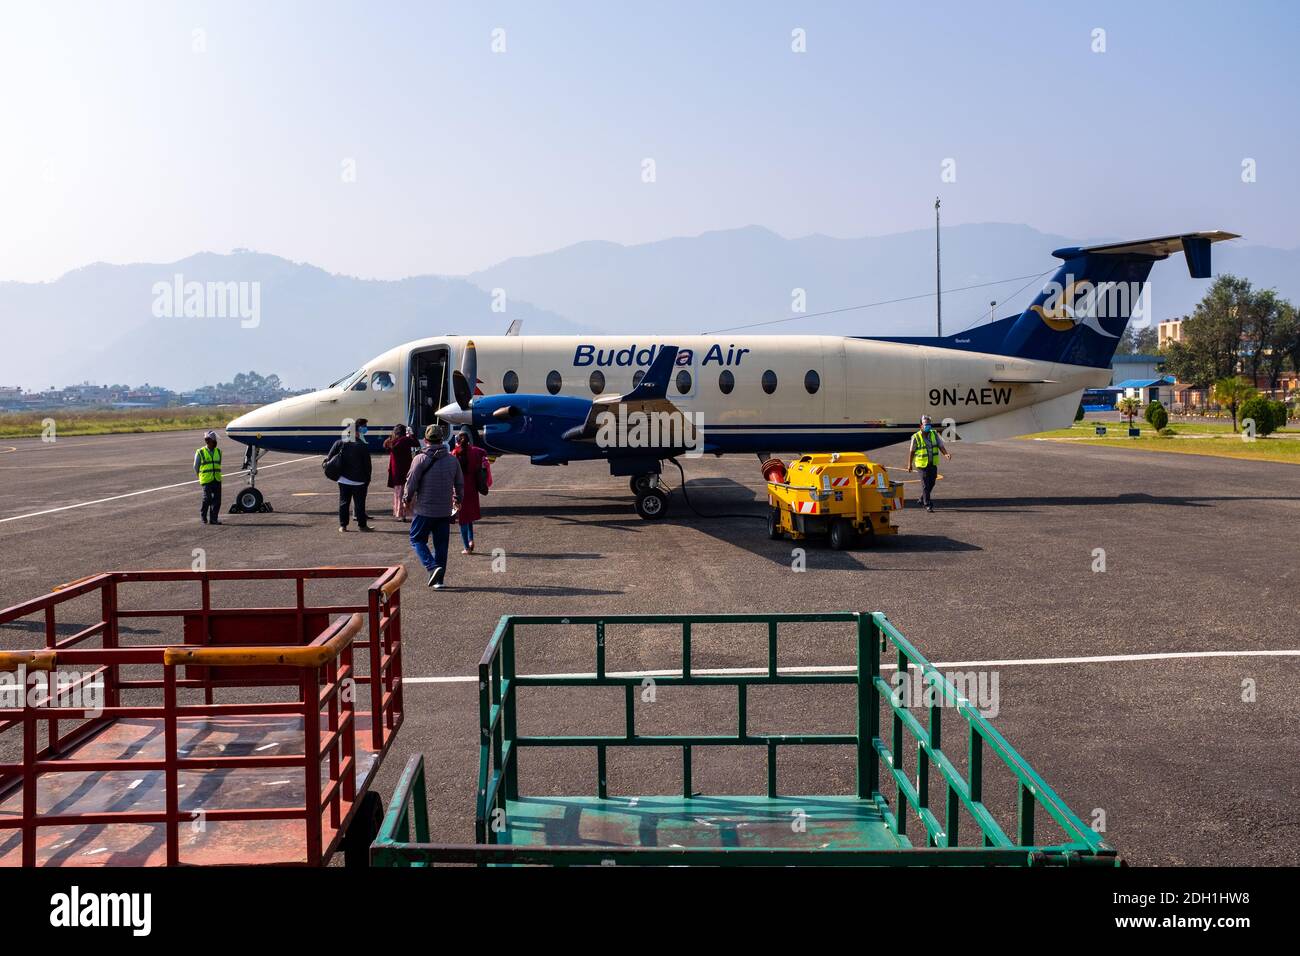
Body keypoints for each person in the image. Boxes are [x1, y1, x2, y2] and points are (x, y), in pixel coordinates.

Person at [404, 424, 463, 588]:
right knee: (441, 545)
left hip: (425, 509)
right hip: (444, 509)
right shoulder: (452, 459)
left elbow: (411, 482)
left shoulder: (420, 458)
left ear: (425, 440)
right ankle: (439, 581)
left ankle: (431, 566)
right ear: (442, 439)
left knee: (416, 539)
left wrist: (406, 499)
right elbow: (459, 483)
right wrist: (458, 500)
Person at [327, 418, 373, 532]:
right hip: (359, 480)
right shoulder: (361, 445)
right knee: (359, 504)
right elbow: (367, 465)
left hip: (343, 479)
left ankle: (343, 526)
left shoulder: (339, 443)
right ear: (356, 432)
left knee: (344, 502)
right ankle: (362, 526)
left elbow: (329, 458)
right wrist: (368, 478)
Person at [449, 426, 490, 553]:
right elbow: (484, 452)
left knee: (462, 519)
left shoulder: (455, 453)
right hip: (472, 487)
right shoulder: (475, 451)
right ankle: (471, 539)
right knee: (470, 516)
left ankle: (466, 547)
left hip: (459, 488)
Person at [906, 414, 952, 513]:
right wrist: (909, 464)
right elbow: (912, 452)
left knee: (932, 483)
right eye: (926, 424)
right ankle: (927, 504)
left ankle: (922, 498)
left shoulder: (934, 434)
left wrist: (946, 454)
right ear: (921, 426)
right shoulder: (915, 437)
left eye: (929, 424)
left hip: (932, 463)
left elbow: (940, 446)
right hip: (922, 465)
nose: (928, 426)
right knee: (925, 485)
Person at [383, 424, 420, 521]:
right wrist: (411, 434)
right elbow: (416, 443)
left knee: (398, 493)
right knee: (408, 492)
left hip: (396, 471)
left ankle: (400, 513)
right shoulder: (405, 440)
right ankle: (408, 512)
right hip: (406, 469)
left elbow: (386, 447)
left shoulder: (391, 441)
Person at [194, 430, 223, 525]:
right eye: (213, 441)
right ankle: (203, 516)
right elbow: (196, 466)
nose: (215, 443)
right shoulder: (200, 452)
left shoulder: (218, 452)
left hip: (217, 479)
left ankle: (214, 519)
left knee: (217, 500)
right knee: (208, 498)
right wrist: (200, 476)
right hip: (206, 479)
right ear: (208, 441)